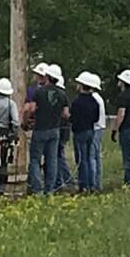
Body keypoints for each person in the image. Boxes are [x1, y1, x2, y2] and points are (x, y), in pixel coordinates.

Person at [27, 64, 64, 194]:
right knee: (52, 159)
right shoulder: (62, 93)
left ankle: (37, 189)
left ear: (47, 76)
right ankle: (50, 189)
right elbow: (65, 113)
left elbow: (31, 109)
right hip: (55, 129)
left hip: (40, 129)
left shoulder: (39, 92)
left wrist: (28, 119)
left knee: (35, 160)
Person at [70, 72, 102, 192]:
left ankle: (83, 185)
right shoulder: (94, 102)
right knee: (89, 158)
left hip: (79, 132)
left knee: (81, 160)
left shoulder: (77, 102)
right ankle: (91, 184)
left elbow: (73, 118)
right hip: (90, 131)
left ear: (82, 85)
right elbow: (96, 118)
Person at [111, 69, 130, 187]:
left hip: (127, 128)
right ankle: (129, 180)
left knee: (127, 157)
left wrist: (115, 130)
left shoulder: (123, 96)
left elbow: (121, 114)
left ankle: (129, 182)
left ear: (123, 82)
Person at [47, 63, 73, 191]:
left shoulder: (58, 95)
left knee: (57, 156)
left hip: (60, 129)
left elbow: (65, 115)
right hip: (63, 130)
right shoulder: (63, 96)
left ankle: (65, 179)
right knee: (58, 155)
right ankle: (61, 179)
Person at [91, 78, 106, 190]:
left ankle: (93, 184)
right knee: (98, 157)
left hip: (95, 128)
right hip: (100, 128)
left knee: (92, 157)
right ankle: (98, 183)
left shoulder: (93, 98)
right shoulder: (99, 98)